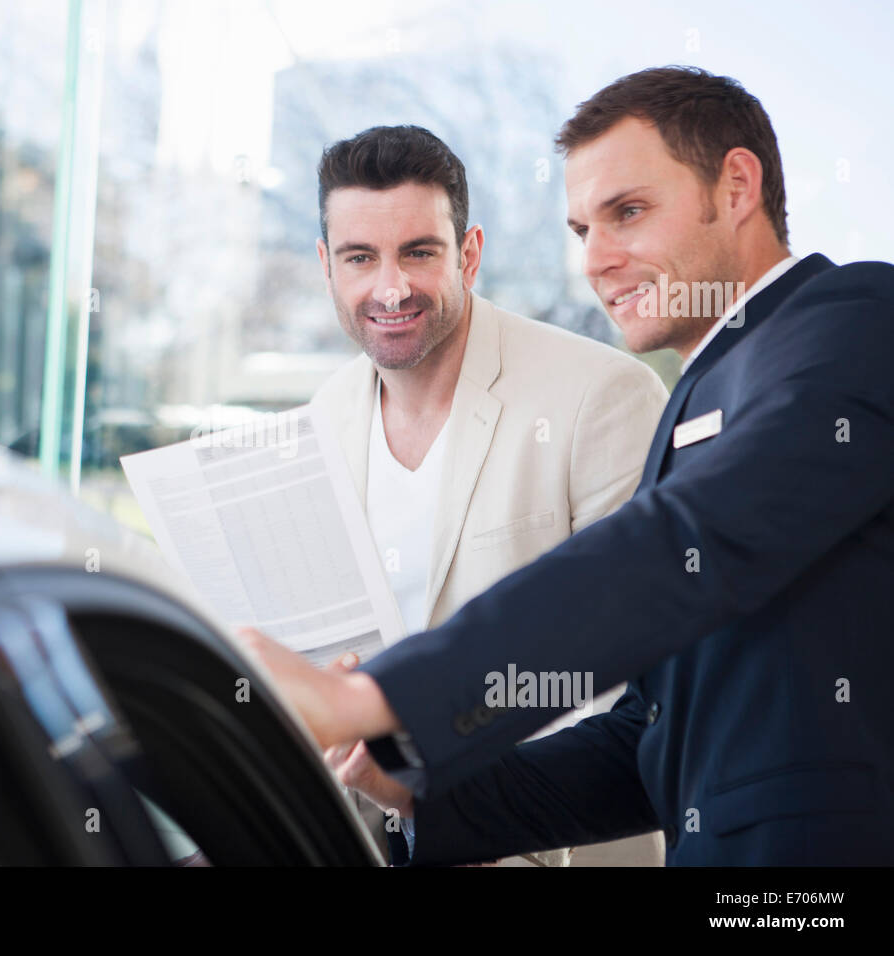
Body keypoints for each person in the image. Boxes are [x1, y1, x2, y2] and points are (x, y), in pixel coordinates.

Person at [242, 66, 894, 866]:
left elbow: (678, 546)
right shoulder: (703, 396)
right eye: (584, 231)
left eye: (628, 212)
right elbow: (641, 747)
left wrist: (371, 698)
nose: (598, 261)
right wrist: (414, 782)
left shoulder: (860, 319)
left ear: (736, 187)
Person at [308, 125, 668, 865]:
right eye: (359, 258)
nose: (390, 287)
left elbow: (637, 684)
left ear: (469, 253)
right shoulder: (323, 417)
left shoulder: (602, 396)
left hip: (538, 844)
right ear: (327, 266)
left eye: (418, 251)